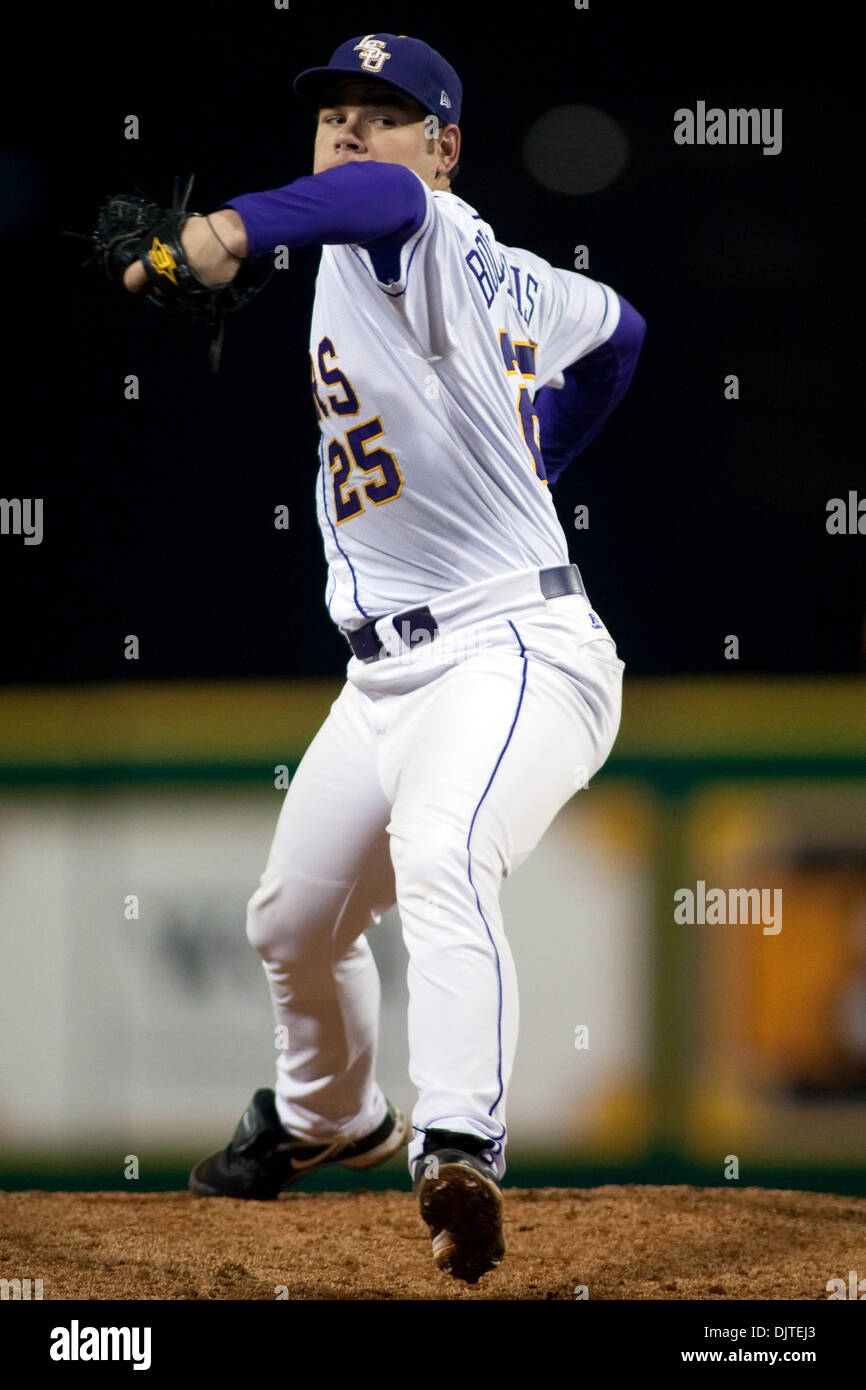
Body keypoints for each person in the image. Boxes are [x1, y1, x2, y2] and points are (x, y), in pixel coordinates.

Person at [124, 32, 646, 1285]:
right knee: (291, 921)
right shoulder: (507, 272)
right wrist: (542, 457)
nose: (352, 132)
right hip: (387, 674)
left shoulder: (412, 217)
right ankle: (325, 1118)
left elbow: (379, 198)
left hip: (517, 647)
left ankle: (457, 1143)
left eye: (387, 111)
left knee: (441, 853)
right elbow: (622, 332)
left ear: (445, 146)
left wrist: (225, 232)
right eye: (334, 114)